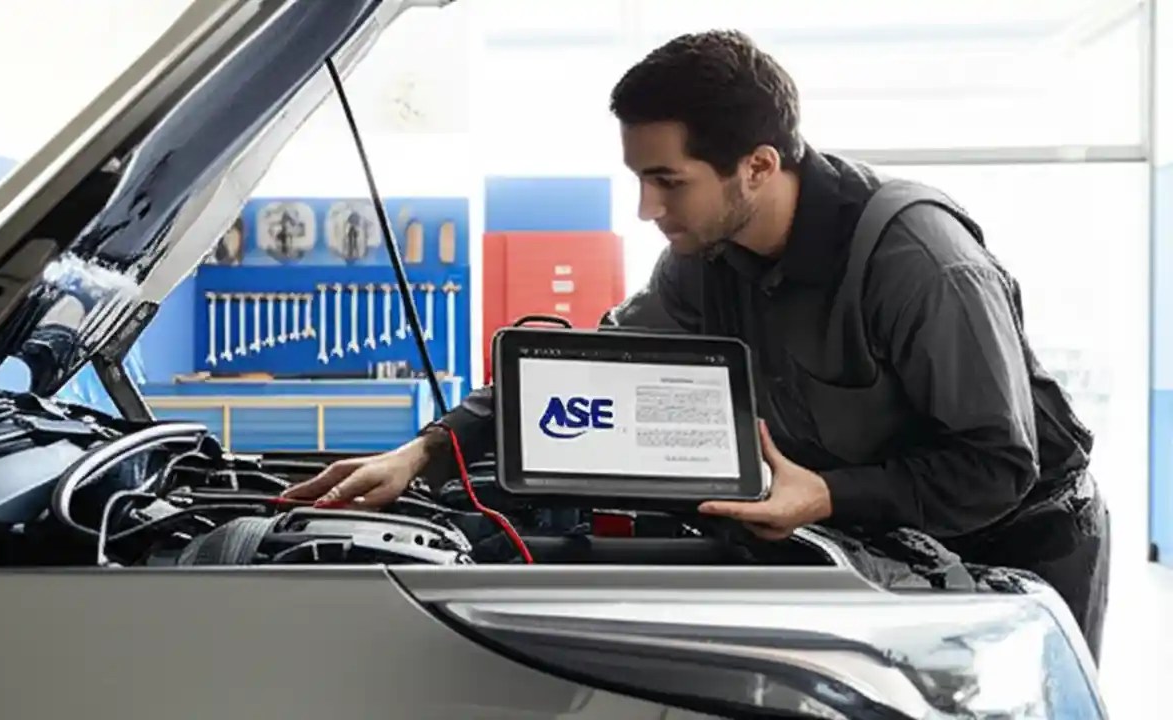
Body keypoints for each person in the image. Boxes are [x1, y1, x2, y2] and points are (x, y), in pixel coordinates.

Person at [284, 29, 1110, 659]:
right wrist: (425, 452)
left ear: (757, 166)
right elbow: (590, 368)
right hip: (886, 535)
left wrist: (825, 494)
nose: (646, 208)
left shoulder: (918, 263)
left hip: (1023, 541)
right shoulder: (703, 261)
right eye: (639, 178)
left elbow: (995, 465)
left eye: (667, 181)